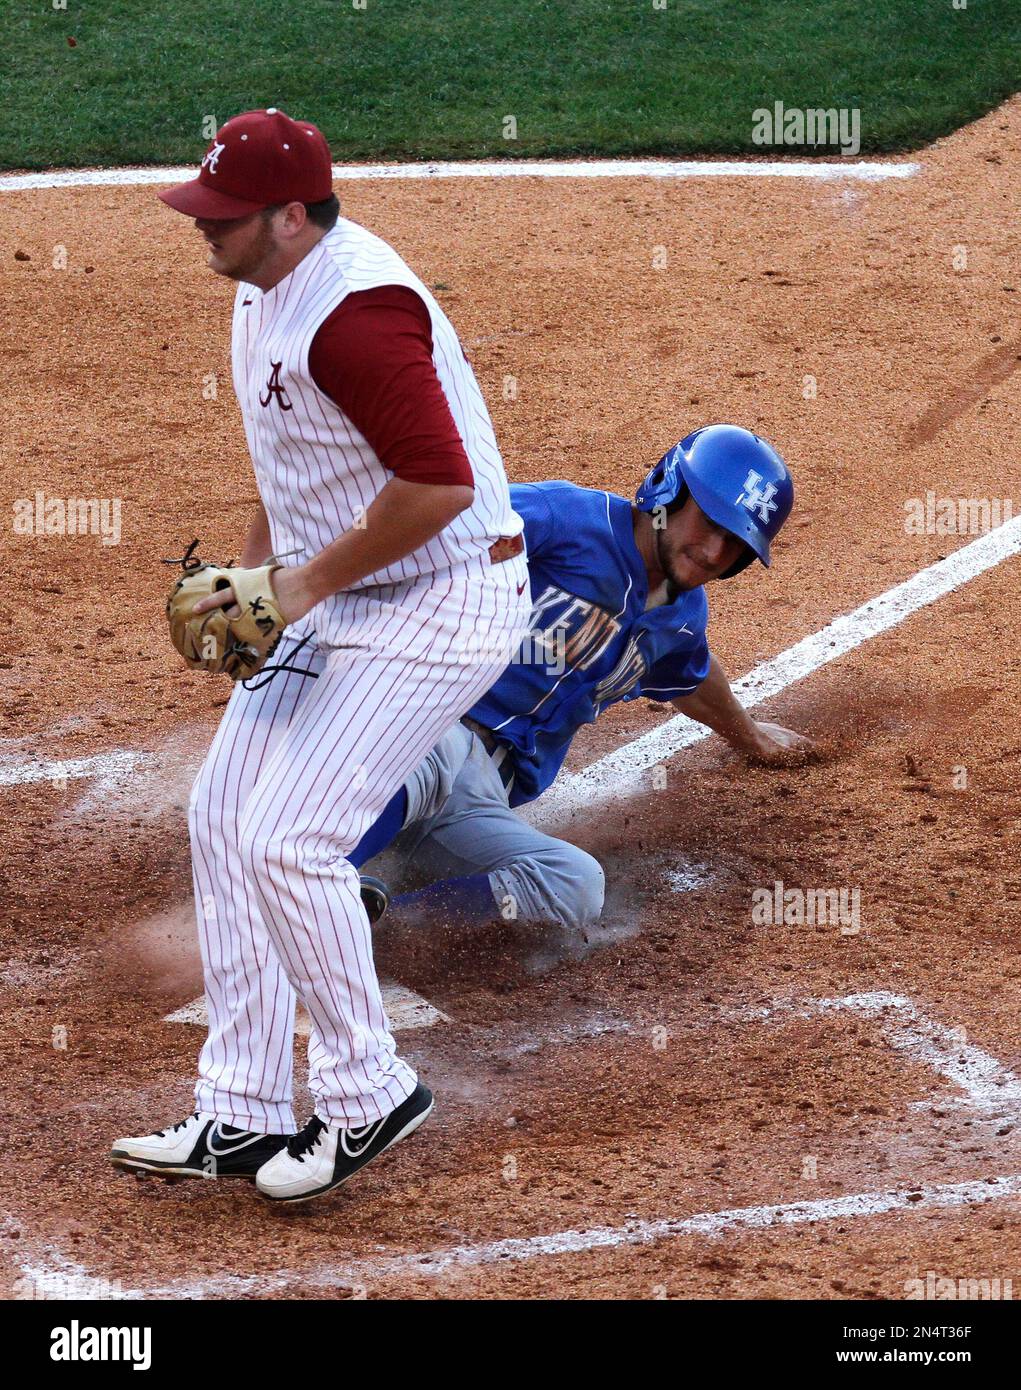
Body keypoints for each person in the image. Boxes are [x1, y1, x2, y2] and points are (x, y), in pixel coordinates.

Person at [110, 108, 531, 1202]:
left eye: (224, 215)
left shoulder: (356, 315)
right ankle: (241, 1110)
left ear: (292, 218)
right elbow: (292, 460)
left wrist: (297, 589)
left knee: (292, 838)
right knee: (222, 814)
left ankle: (367, 1091)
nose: (202, 228)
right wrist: (261, 593)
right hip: (350, 592)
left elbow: (436, 486)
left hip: (445, 598)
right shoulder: (262, 294)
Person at [350, 425, 812, 931]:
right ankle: (324, 887)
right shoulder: (566, 518)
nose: (712, 554)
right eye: (710, 524)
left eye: (736, 545)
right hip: (407, 735)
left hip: (479, 801)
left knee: (576, 884)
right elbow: (440, 534)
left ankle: (382, 928)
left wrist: (750, 738)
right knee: (443, 748)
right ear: (669, 489)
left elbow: (693, 677)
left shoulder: (678, 620)